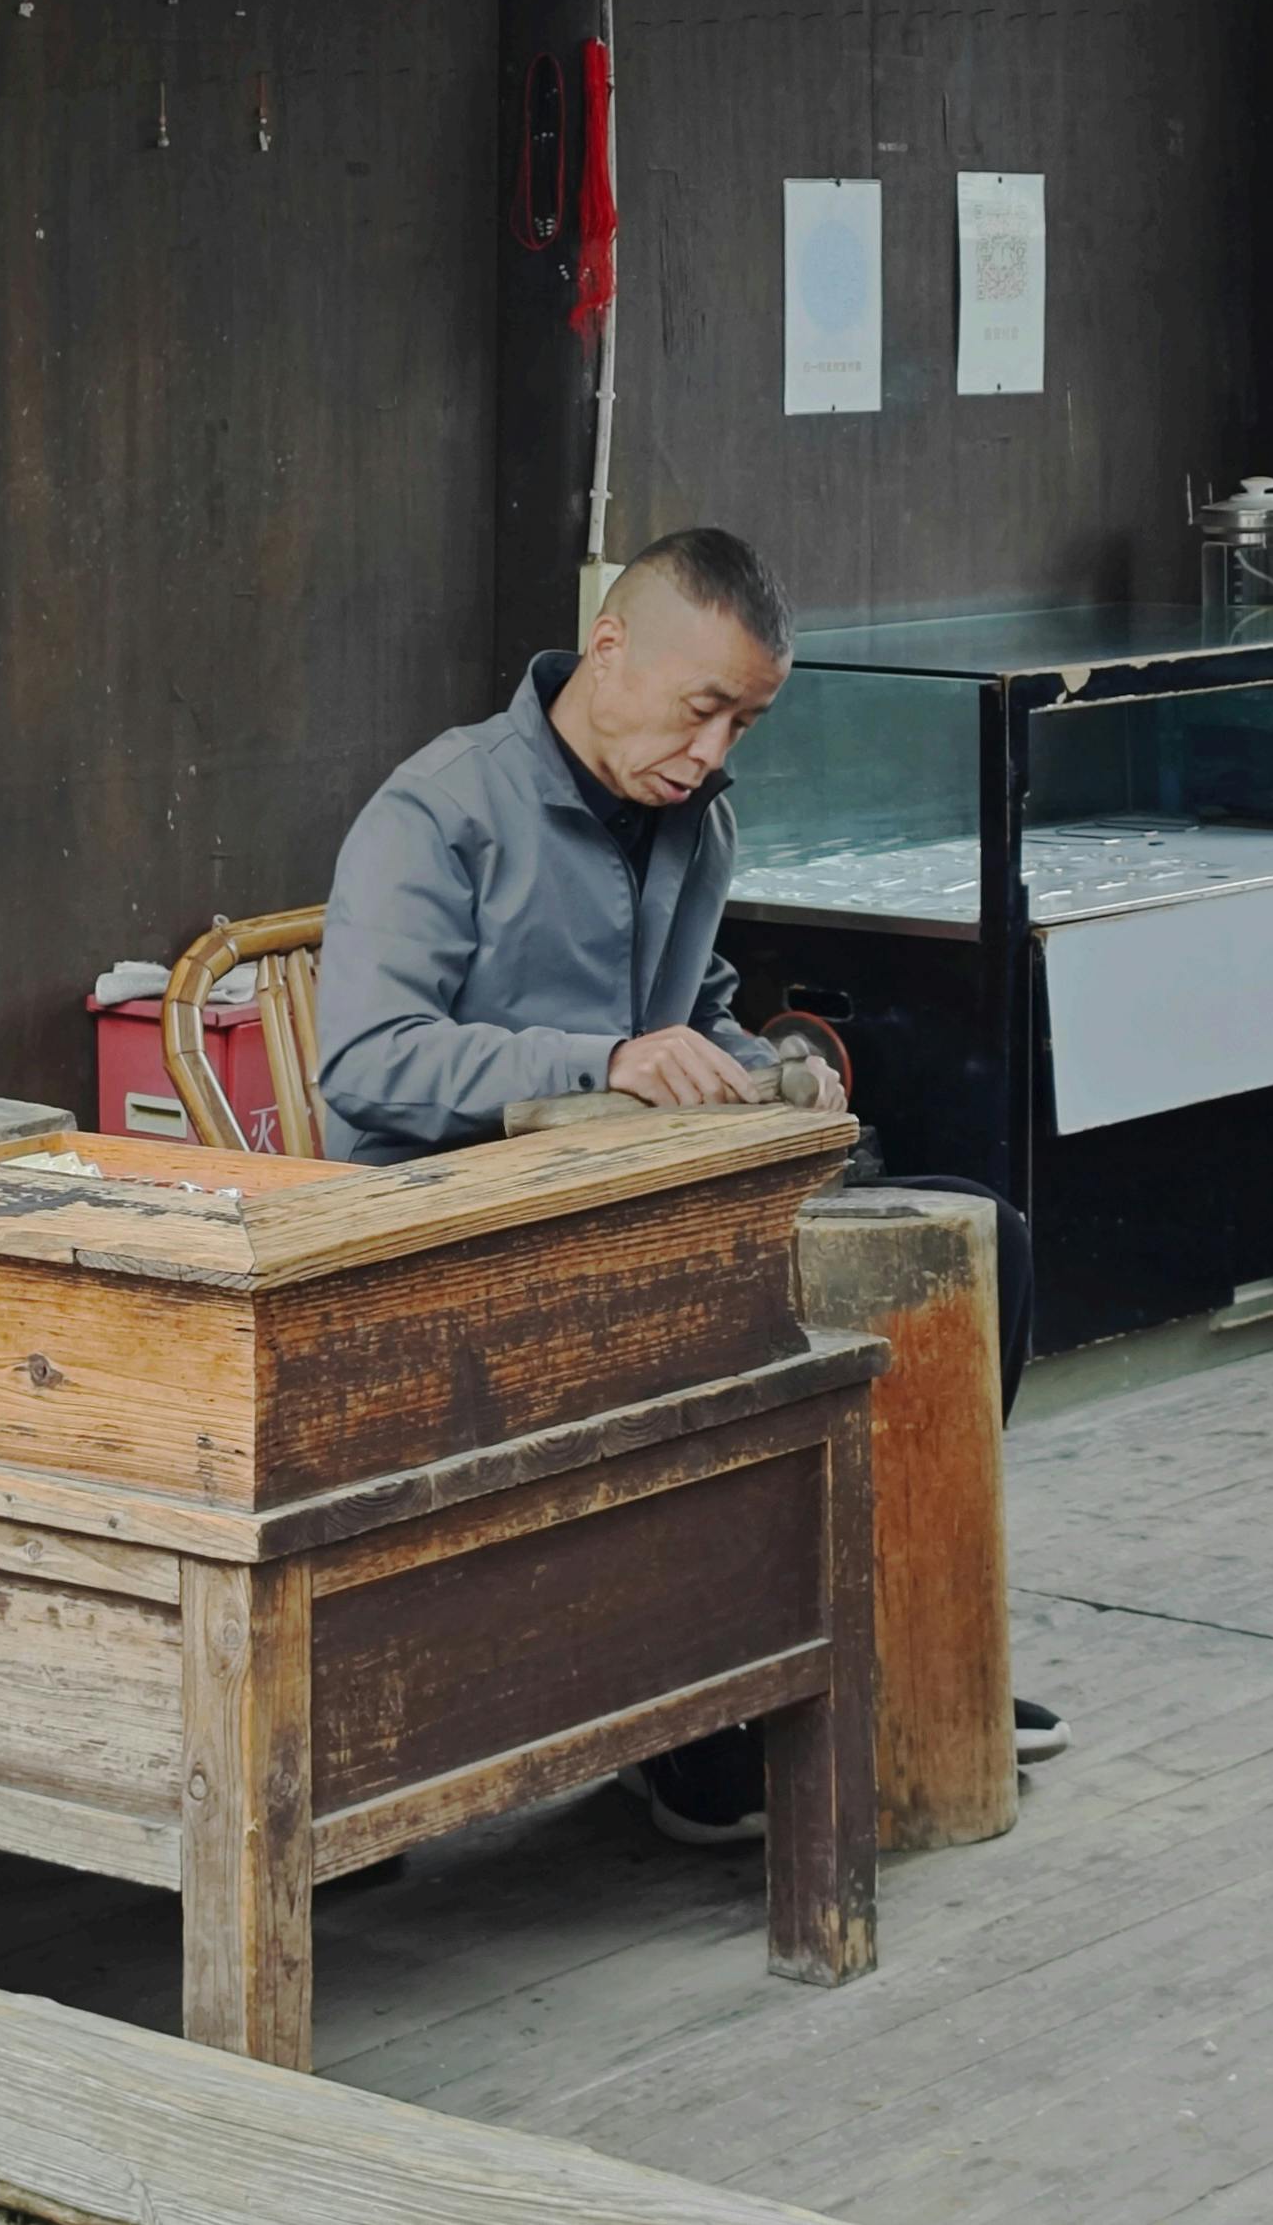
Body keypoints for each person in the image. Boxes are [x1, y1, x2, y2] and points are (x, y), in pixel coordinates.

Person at [318, 525, 1061, 1844]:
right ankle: (699, 1720)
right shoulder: (440, 810)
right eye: (700, 708)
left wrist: (764, 1067)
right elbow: (369, 1063)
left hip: (644, 1202)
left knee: (975, 1237)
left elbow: (696, 1009)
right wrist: (601, 1057)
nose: (714, 752)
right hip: (464, 1228)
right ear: (608, 651)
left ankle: (898, 1645)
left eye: (745, 723)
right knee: (720, 1326)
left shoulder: (691, 820)